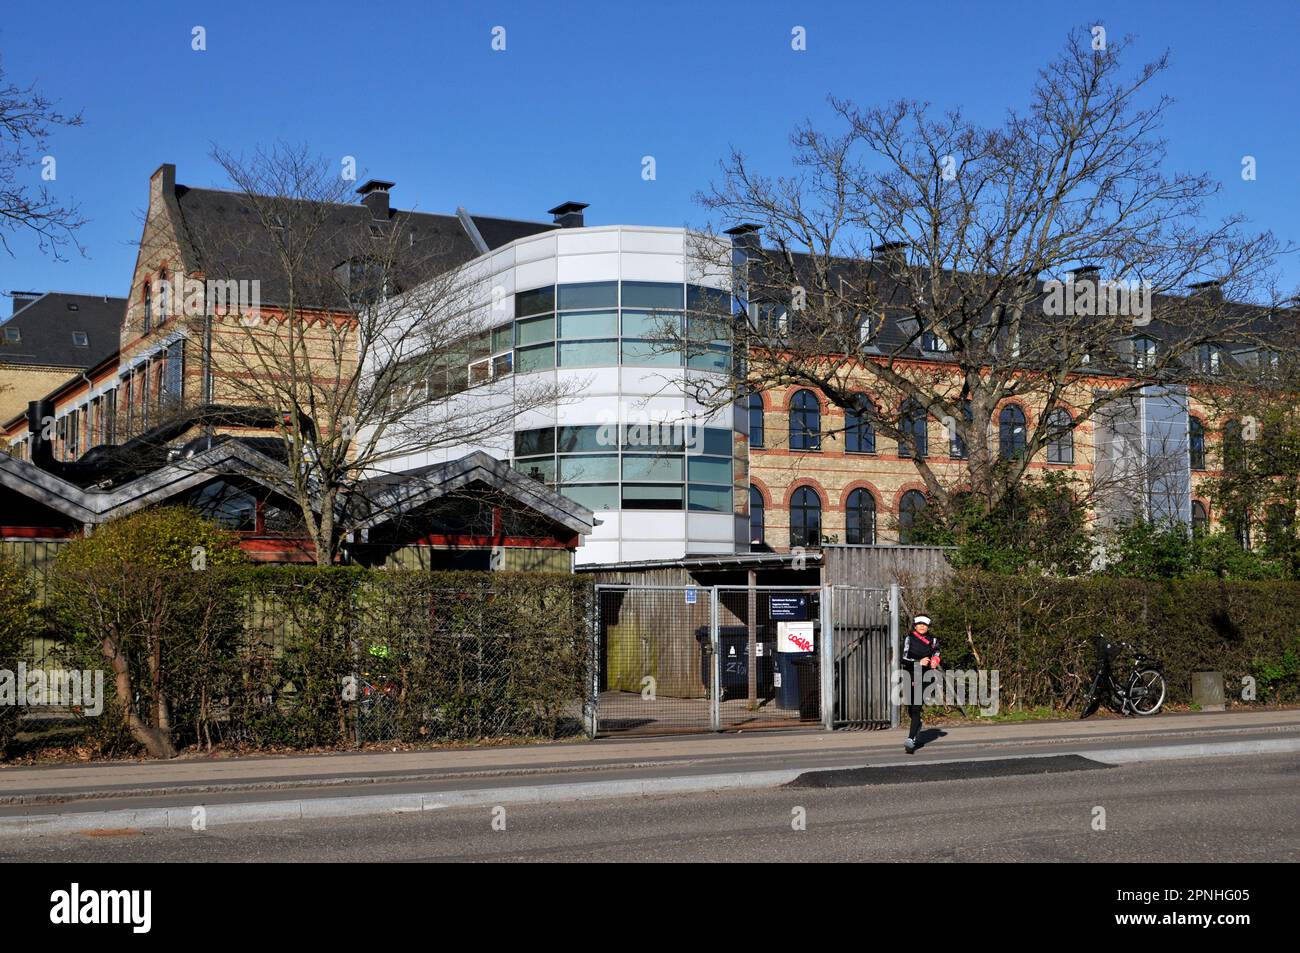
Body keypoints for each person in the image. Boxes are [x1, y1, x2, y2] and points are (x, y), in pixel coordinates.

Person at [902, 614, 940, 753]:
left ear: (928, 626)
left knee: (917, 707)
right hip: (909, 674)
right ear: (915, 625)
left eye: (925, 624)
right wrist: (918, 662)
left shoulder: (933, 639)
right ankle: (917, 725)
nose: (922, 626)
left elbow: (937, 651)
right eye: (919, 624)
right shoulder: (909, 638)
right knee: (910, 708)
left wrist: (936, 659)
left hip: (924, 676)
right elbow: (903, 658)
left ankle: (911, 739)